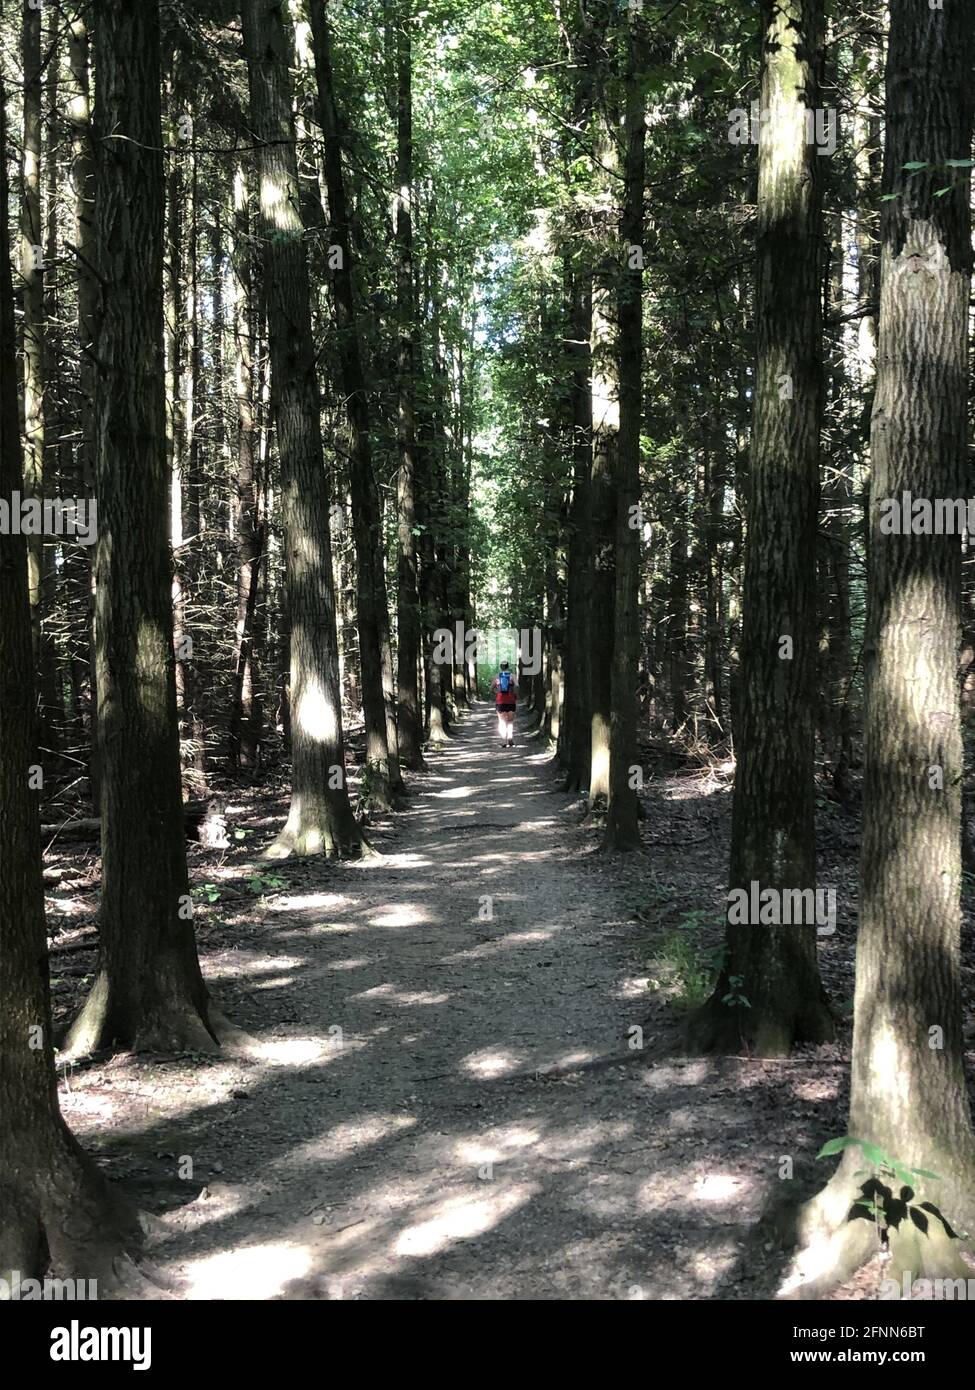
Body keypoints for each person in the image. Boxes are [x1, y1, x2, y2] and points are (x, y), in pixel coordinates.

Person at [490, 661, 517, 747]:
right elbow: (517, 686)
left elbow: (491, 688)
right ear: (508, 667)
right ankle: (510, 738)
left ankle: (503, 741)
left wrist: (496, 693)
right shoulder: (513, 676)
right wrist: (515, 695)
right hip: (511, 701)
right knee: (510, 721)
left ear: (500, 667)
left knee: (501, 721)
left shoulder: (497, 677)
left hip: (500, 701)